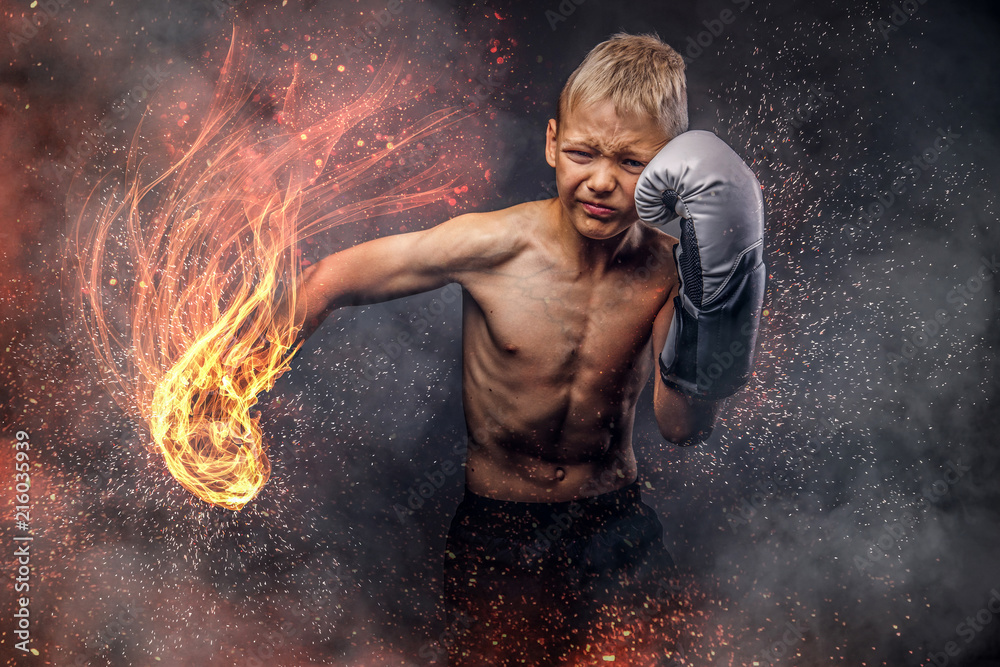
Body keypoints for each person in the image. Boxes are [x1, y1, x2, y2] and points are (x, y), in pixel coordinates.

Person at [287, 32, 765, 666]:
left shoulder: (671, 272)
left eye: (631, 162)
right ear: (550, 144)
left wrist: (718, 301)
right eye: (581, 153)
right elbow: (328, 281)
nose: (600, 181)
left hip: (613, 523)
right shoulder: (493, 246)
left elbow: (681, 427)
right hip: (500, 531)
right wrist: (224, 373)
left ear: (672, 170)